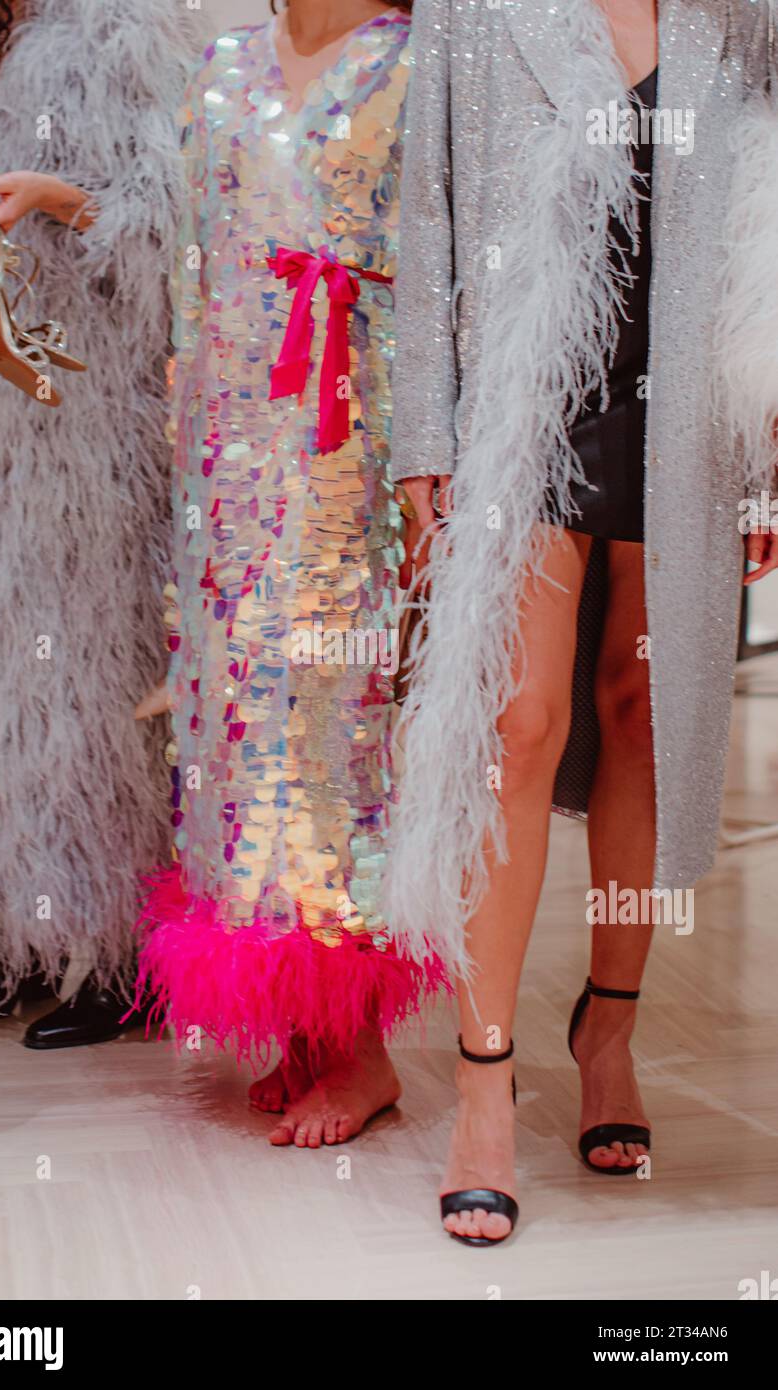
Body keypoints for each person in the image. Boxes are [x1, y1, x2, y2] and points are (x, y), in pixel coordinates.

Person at [390, 0, 778, 1243]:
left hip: (691, 412)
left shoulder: (746, 15)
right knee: (514, 718)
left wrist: (767, 455)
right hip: (527, 395)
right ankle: (486, 1078)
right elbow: (427, 207)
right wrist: (421, 438)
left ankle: (606, 1028)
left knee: (640, 707)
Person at [136, 0, 447, 1145]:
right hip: (227, 462)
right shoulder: (219, 68)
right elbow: (189, 270)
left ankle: (362, 1054)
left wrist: (428, 464)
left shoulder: (417, 61)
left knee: (325, 726)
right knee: (236, 729)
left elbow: (442, 275)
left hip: (345, 453)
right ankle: (301, 1028)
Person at [0, 0, 206, 1046]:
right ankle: (12, 945)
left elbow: (177, 217)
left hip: (85, 417)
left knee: (88, 683)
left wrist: (55, 199)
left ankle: (120, 956)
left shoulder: (118, 32)